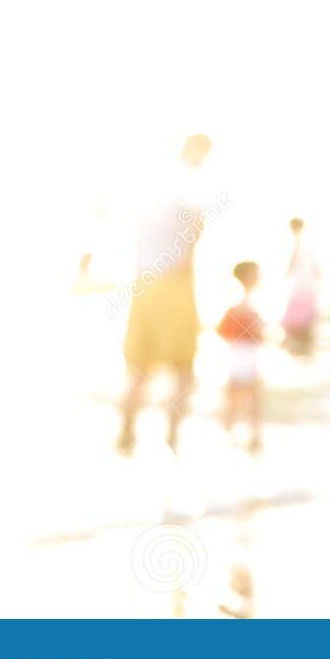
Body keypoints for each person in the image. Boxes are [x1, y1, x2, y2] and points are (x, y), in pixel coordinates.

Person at [117, 133, 212, 455]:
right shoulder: (189, 180)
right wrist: (185, 262)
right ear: (197, 150)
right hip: (174, 284)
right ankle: (172, 439)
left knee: (139, 367)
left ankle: (126, 435)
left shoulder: (152, 181)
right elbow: (196, 224)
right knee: (183, 368)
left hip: (143, 283)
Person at [218, 261, 266, 454]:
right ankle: (252, 436)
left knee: (234, 398)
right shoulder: (247, 306)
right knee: (252, 398)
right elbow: (260, 334)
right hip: (246, 355)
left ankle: (230, 435)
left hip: (236, 355)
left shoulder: (237, 306)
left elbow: (222, 331)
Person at [279, 217, 319, 357]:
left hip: (301, 286)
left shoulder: (298, 243)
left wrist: (284, 277)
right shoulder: (309, 244)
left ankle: (298, 349)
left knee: (295, 320)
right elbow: (317, 269)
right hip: (308, 286)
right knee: (304, 319)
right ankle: (303, 349)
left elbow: (291, 265)